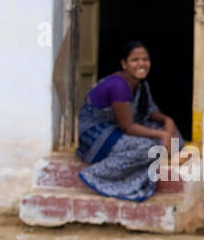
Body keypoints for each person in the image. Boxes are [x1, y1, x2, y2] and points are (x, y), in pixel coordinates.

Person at [76, 41, 184, 200]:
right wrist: (161, 135)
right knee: (149, 147)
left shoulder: (140, 84)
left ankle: (164, 155)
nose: (141, 64)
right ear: (124, 64)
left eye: (145, 59)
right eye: (135, 60)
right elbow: (127, 126)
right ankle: (96, 174)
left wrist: (168, 121)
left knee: (173, 133)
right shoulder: (118, 85)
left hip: (117, 128)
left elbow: (150, 111)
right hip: (97, 136)